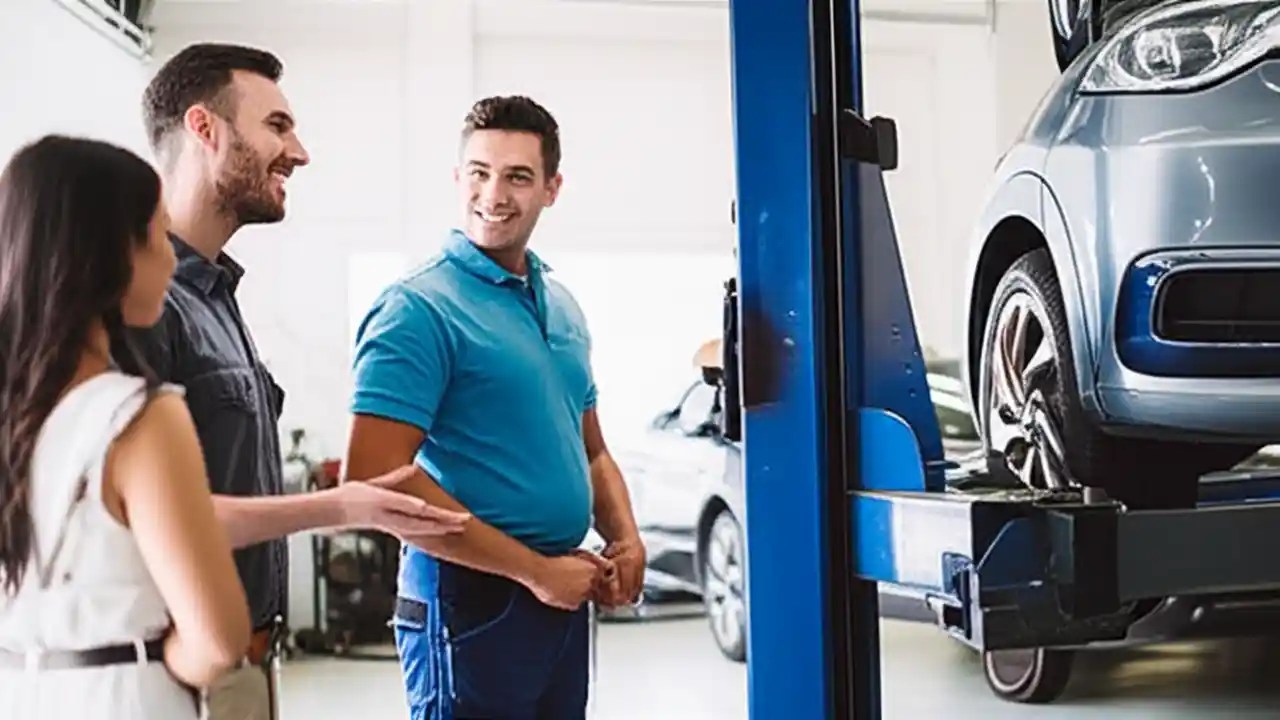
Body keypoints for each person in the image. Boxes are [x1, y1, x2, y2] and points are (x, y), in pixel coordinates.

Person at [116, 43, 472, 720]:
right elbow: (145, 520)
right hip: (178, 674)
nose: (299, 151)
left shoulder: (217, 295)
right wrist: (342, 507)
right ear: (204, 128)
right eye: (277, 125)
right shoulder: (142, 302)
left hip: (246, 666)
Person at [342, 95, 646, 720]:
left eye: (517, 176)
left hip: (562, 594)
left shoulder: (560, 303)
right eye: (478, 172)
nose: (493, 193)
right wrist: (533, 570)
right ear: (458, 179)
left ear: (552, 188)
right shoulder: (418, 308)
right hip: (470, 599)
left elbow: (591, 449)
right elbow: (377, 475)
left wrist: (627, 538)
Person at [0, 134, 247, 718]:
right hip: (124, 696)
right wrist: (166, 662)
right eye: (160, 233)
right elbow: (218, 639)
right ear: (110, 251)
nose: (169, 258)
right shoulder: (138, 415)